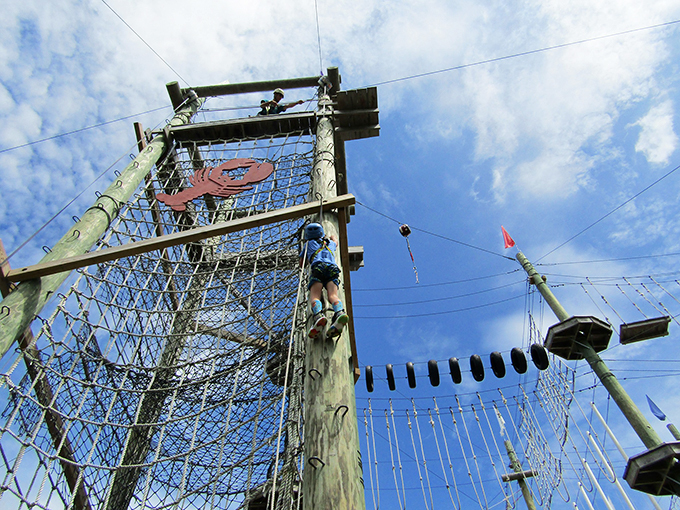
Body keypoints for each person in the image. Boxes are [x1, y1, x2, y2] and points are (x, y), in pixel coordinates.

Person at [300, 222, 349, 339]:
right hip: (332, 269)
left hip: (317, 268)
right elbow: (336, 242)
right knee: (332, 296)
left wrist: (307, 260)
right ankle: (339, 313)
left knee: (315, 296)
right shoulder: (330, 243)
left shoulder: (308, 244)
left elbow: (301, 263)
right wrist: (333, 237)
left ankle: (318, 315)